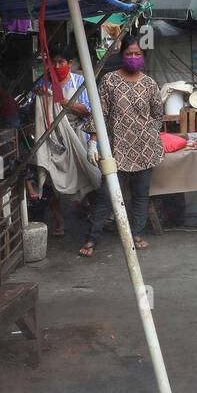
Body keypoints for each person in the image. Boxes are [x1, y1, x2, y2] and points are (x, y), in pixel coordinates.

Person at [79, 35, 164, 257]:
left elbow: (157, 115)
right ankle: (91, 239)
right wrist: (93, 142)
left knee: (140, 195)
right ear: (121, 55)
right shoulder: (109, 81)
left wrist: (150, 136)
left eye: (138, 54)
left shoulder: (150, 84)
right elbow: (100, 114)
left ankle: (136, 234)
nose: (133, 58)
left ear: (143, 56)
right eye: (129, 54)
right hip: (117, 151)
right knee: (106, 196)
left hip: (145, 149)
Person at [31, 49, 95, 236]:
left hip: (77, 136)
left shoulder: (80, 82)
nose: (57, 66)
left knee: (89, 175)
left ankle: (93, 211)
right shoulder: (44, 82)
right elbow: (33, 108)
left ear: (71, 61)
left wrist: (62, 100)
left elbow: (87, 111)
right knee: (49, 179)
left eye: (61, 62)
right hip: (53, 137)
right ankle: (60, 220)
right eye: (54, 63)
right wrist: (41, 96)